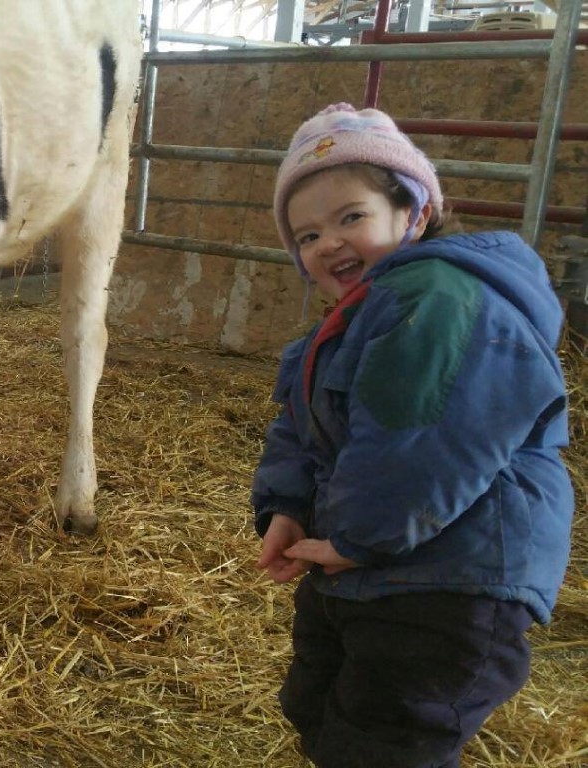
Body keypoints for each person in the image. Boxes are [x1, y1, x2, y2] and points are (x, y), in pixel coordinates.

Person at [251, 102, 574, 768]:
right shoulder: (353, 318)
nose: (327, 243)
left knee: (385, 742)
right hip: (370, 566)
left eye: (351, 217)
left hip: (452, 581)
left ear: (415, 212)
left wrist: (354, 538)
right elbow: (301, 421)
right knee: (317, 709)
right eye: (306, 235)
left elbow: (418, 441)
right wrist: (284, 507)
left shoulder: (436, 300)